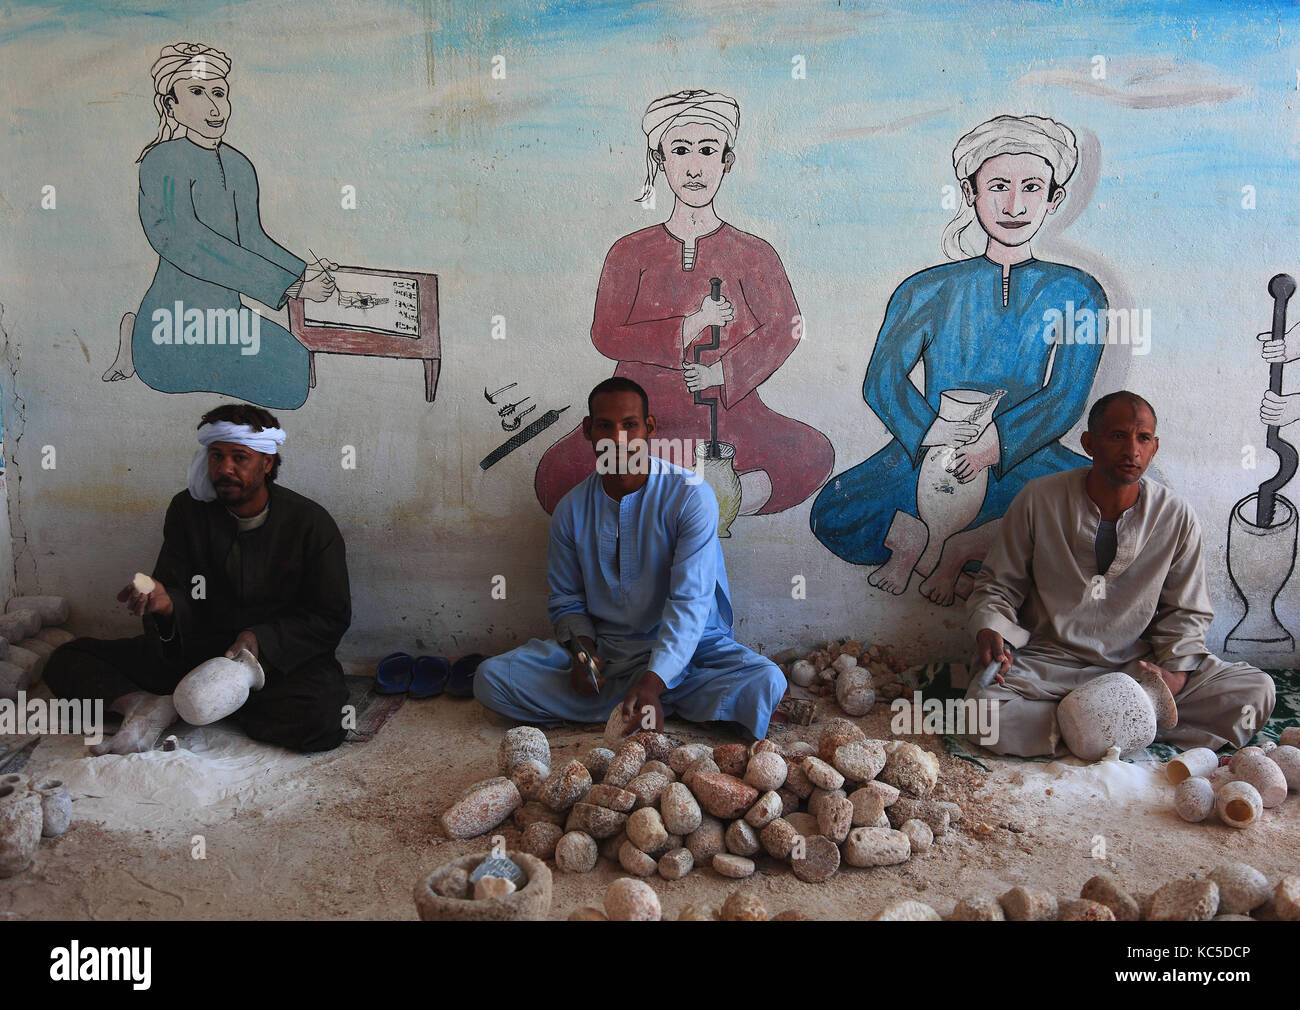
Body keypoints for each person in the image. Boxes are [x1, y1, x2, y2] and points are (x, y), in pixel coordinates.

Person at [810, 114, 1106, 606]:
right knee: (837, 515)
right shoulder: (926, 289)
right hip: (928, 452)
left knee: (1099, 522)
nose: (1014, 205)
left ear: (1054, 198)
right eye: (998, 187)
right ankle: (944, 547)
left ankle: (956, 551)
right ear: (970, 193)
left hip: (1025, 457)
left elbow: (1066, 395)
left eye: (1031, 187)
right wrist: (932, 437)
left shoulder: (1078, 293)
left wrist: (997, 443)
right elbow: (883, 379)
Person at [534, 89, 833, 519]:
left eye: (708, 150)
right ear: (661, 159)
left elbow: (785, 327)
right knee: (557, 477)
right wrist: (689, 325)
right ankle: (700, 496)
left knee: (809, 454)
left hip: (728, 412)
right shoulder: (630, 250)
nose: (695, 167)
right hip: (640, 412)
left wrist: (722, 372)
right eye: (680, 149)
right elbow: (606, 334)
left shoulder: (753, 252)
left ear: (726, 160)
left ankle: (707, 496)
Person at [965, 391, 1276, 757]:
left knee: (1255, 690)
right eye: (1117, 436)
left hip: (1136, 671)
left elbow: (1186, 611)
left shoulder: (1175, 515)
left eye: (1143, 438)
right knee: (980, 713)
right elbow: (998, 585)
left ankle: (1099, 725)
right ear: (1089, 443)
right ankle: (1120, 725)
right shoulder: (1039, 500)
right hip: (1051, 663)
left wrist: (1174, 674)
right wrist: (992, 627)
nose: (1132, 450)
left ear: (1154, 446)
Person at [478, 377, 786, 739]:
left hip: (694, 648)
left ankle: (644, 699)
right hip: (613, 652)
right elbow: (567, 601)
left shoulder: (690, 496)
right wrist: (584, 656)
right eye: (605, 426)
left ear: (649, 428)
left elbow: (691, 602)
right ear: (588, 431)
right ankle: (665, 705)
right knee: (492, 680)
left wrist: (654, 681)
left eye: (629, 425)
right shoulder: (571, 511)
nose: (618, 439)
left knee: (766, 680)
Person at [44, 404, 352, 753]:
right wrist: (166, 603)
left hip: (272, 663)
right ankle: (144, 705)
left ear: (267, 463)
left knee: (325, 720)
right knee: (67, 659)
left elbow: (330, 615)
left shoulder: (310, 524)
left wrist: (261, 641)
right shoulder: (187, 511)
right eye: (217, 456)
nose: (225, 469)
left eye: (240, 458)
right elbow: (177, 590)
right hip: (200, 648)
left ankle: (208, 702)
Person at [102, 43, 337, 408]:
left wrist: (305, 270)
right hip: (174, 322)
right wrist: (291, 287)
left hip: (228, 317)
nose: (213, 107)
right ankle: (137, 339)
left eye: (218, 92)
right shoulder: (161, 161)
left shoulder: (239, 165)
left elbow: (254, 239)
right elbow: (187, 243)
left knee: (294, 374)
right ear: (171, 105)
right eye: (196, 92)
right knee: (175, 374)